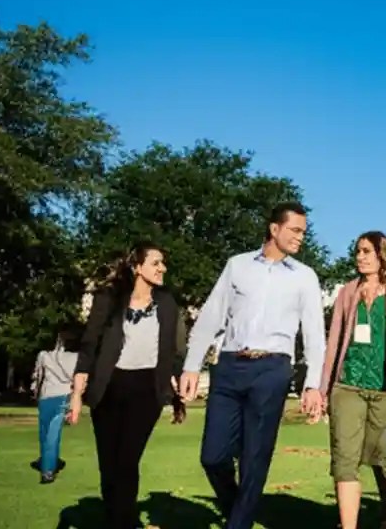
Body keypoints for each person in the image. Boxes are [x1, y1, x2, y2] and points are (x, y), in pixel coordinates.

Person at [178, 201, 328, 529]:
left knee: (254, 458)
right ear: (274, 229)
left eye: (303, 231)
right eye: (295, 230)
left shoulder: (305, 277)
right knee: (213, 456)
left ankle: (239, 523)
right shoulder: (237, 266)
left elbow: (315, 335)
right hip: (230, 365)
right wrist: (191, 366)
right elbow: (210, 318)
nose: (300, 237)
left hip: (273, 369)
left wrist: (313, 383)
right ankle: (238, 508)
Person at [67, 241, 188, 529]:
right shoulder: (108, 299)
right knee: (109, 465)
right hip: (109, 386)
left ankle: (125, 522)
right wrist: (76, 394)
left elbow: (174, 350)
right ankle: (117, 519)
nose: (163, 268)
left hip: (146, 389)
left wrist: (177, 390)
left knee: (127, 461)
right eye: (156, 263)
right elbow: (89, 347)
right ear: (137, 267)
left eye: (163, 263)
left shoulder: (167, 303)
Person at [320, 231, 386, 529]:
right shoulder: (347, 292)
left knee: (384, 460)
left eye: (366, 251)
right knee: (345, 460)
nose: (360, 257)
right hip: (347, 385)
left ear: (381, 255)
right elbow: (334, 341)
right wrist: (323, 388)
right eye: (357, 252)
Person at [31, 327, 78, 483]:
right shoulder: (76, 357)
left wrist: (35, 392)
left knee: (44, 433)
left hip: (46, 395)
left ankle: (47, 465)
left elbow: (38, 375)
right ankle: (48, 467)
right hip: (64, 395)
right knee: (54, 433)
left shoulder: (44, 355)